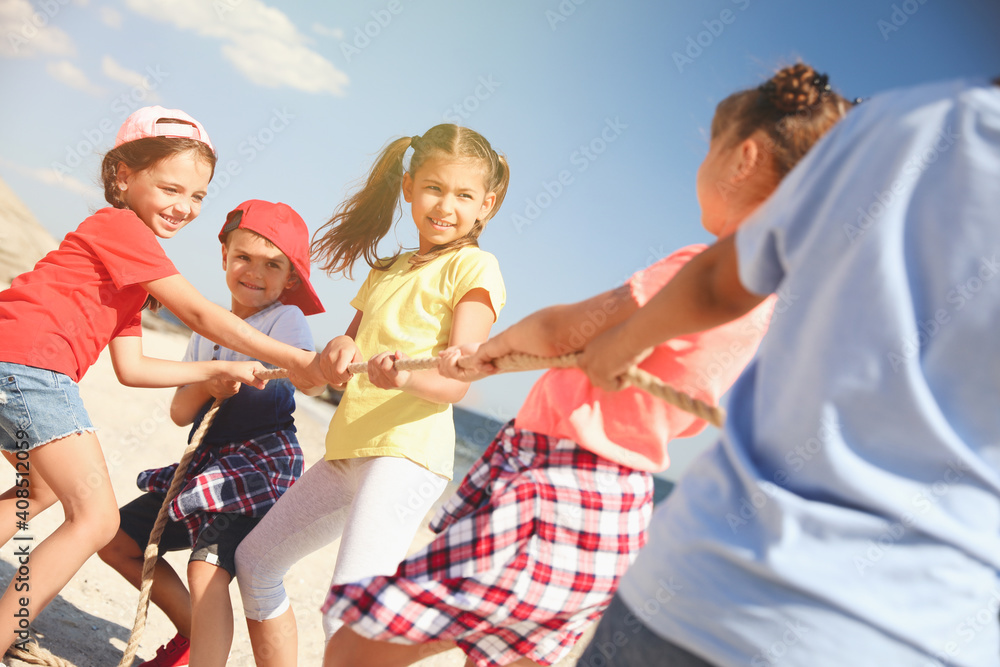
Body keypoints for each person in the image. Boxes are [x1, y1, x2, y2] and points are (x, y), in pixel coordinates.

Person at [317, 63, 852, 667]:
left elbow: (567, 329)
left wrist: (486, 357)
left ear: (743, 157)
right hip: (619, 513)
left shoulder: (702, 270)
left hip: (557, 486)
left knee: (353, 650)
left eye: (710, 148)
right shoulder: (774, 302)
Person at [577, 75, 1000, 666]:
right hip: (919, 636)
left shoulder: (903, 123)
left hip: (705, 592)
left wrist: (623, 343)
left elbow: (724, 278)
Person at [0, 106, 326, 657]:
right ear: (123, 176)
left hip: (16, 364)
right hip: (30, 367)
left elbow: (133, 368)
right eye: (172, 189)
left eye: (197, 197)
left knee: (45, 487)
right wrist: (292, 362)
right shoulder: (122, 228)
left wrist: (213, 371)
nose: (184, 207)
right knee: (98, 519)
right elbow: (200, 315)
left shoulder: (127, 270)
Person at [234, 123, 509, 666]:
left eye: (463, 195)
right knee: (256, 560)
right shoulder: (389, 269)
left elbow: (458, 378)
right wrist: (337, 347)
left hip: (405, 457)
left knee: (350, 612)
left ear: (487, 205)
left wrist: (403, 377)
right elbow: (346, 351)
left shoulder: (474, 267)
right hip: (349, 449)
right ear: (408, 187)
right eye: (433, 188)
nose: (444, 206)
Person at [97, 199, 325, 667]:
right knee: (116, 539)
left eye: (272, 265)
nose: (254, 272)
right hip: (207, 467)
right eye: (243, 257)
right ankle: (195, 634)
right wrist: (211, 378)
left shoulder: (286, 321)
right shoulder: (208, 330)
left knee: (206, 568)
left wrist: (248, 373)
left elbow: (303, 372)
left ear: (291, 280)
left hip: (258, 465)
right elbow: (181, 412)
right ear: (224, 257)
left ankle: (205, 655)